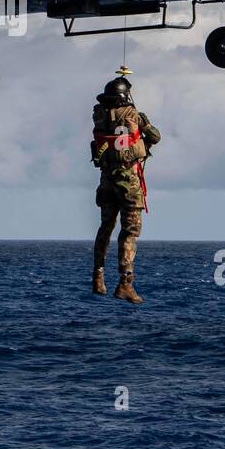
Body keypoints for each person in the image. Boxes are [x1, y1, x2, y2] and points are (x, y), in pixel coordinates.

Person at [90, 67, 161, 303]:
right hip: (129, 183)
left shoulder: (98, 115)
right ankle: (125, 283)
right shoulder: (134, 115)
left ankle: (98, 277)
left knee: (105, 228)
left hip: (106, 181)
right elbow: (155, 136)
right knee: (129, 232)